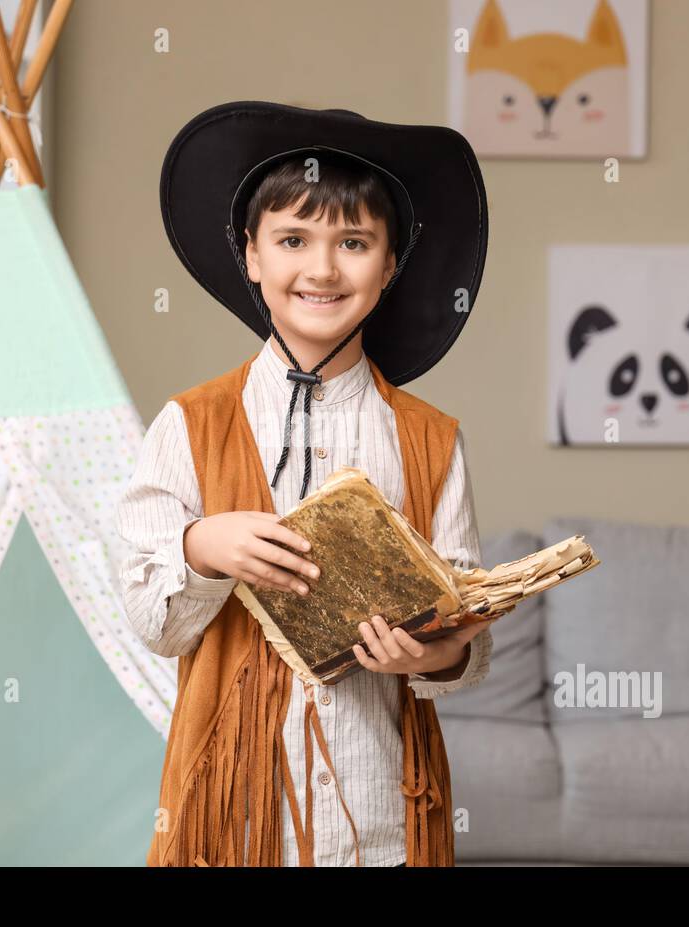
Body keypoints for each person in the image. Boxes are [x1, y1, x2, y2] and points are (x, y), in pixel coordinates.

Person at [117, 101, 491, 866]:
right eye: (293, 240)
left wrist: (427, 657)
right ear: (250, 255)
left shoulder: (429, 439)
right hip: (233, 821)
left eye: (353, 242)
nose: (322, 269)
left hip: (383, 814)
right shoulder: (188, 425)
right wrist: (202, 547)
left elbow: (469, 636)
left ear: (389, 266)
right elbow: (155, 626)